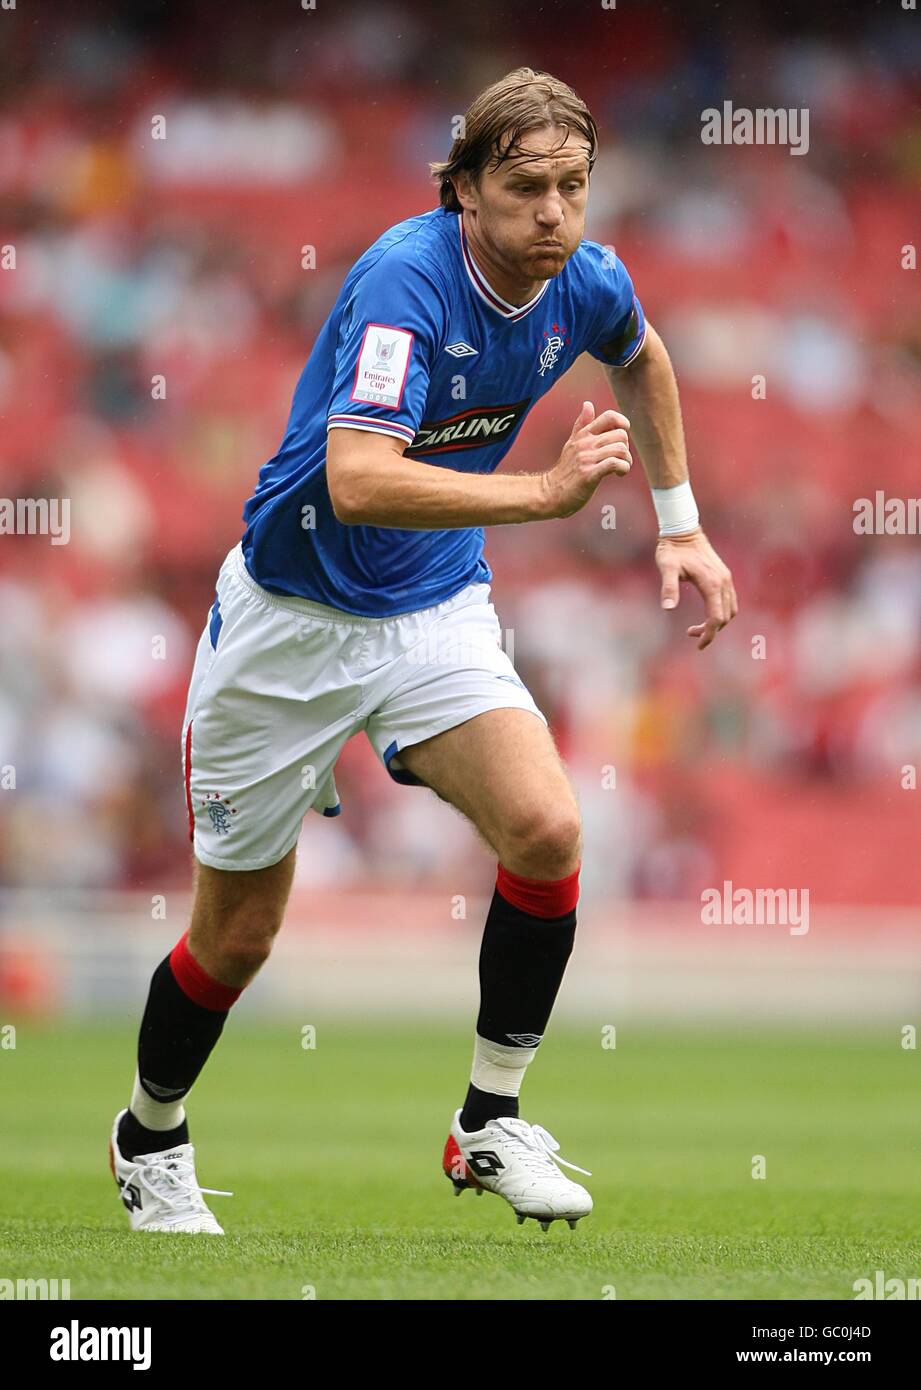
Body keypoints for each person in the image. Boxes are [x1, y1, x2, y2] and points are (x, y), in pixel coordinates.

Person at [109, 67, 737, 1234]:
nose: (554, 213)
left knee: (548, 827)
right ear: (464, 192)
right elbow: (354, 481)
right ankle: (150, 1132)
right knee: (235, 935)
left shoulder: (586, 279)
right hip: (288, 624)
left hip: (431, 610)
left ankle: (488, 1121)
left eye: (574, 186)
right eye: (525, 188)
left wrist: (682, 519)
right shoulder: (408, 280)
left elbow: (641, 355)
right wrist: (546, 494)